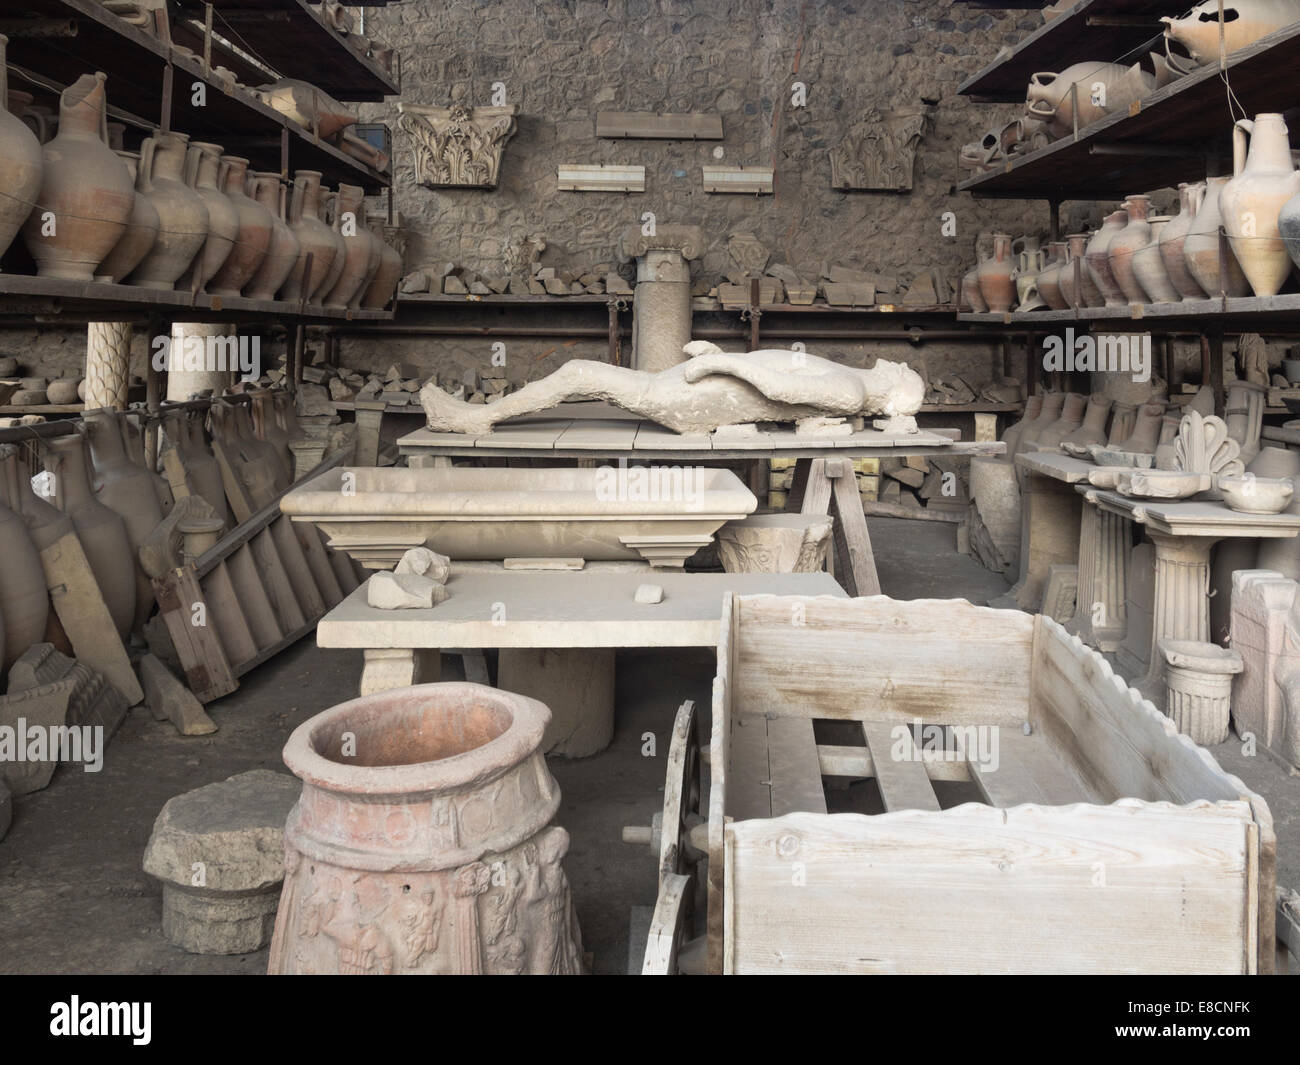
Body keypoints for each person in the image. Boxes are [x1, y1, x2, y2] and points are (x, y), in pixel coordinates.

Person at [420, 340, 925, 436]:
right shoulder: (848, 384)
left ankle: (473, 419)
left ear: (898, 389)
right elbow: (790, 394)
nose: (898, 362)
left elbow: (780, 388)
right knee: (582, 376)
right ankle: (477, 415)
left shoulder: (853, 392)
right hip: (701, 387)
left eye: (904, 370)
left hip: (693, 399)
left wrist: (723, 362)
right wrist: (720, 359)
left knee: (578, 373)